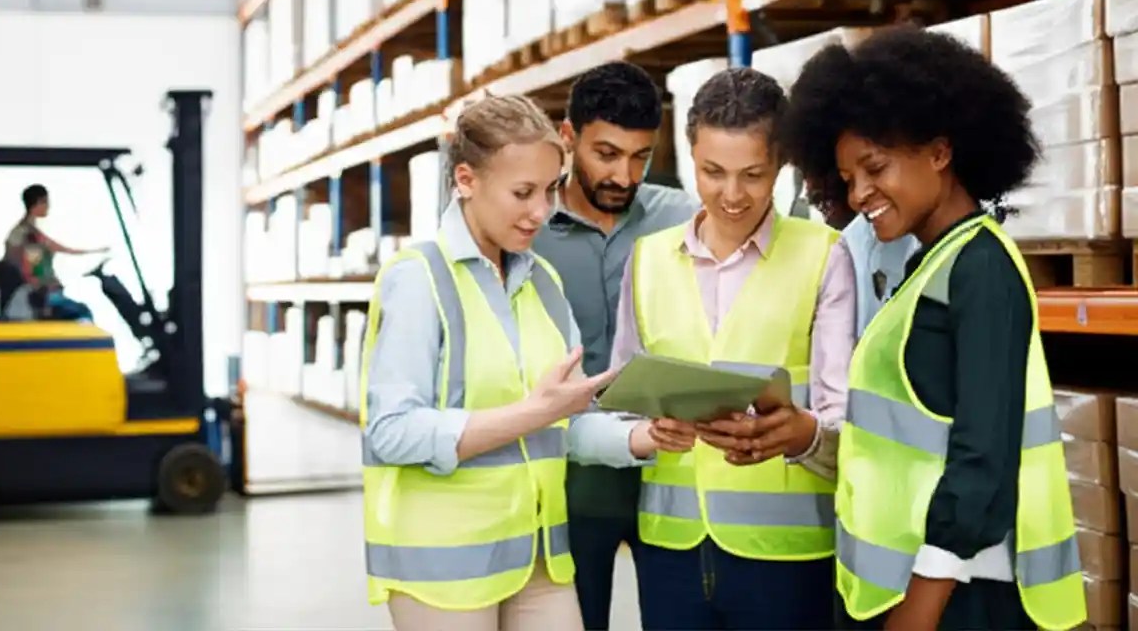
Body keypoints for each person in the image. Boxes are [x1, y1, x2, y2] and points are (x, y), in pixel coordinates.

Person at [782, 24, 1086, 631]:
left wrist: (921, 604)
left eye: (875, 167)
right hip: (901, 589)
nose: (860, 192)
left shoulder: (981, 271)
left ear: (940, 153)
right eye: (847, 179)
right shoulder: (931, 265)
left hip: (957, 598)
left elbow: (982, 463)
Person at [358, 94, 677, 631]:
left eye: (551, 189)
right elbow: (391, 431)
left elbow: (566, 424)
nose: (542, 211)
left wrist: (645, 438)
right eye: (522, 193)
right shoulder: (418, 279)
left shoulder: (543, 284)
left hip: (539, 556)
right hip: (446, 567)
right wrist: (533, 413)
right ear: (466, 179)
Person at [610, 67, 856, 630]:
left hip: (786, 557)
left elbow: (845, 420)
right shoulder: (646, 260)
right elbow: (621, 402)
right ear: (688, 153)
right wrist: (645, 433)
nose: (732, 194)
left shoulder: (825, 255)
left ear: (781, 165)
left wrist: (799, 432)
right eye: (711, 172)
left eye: (753, 174)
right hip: (670, 551)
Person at [531, 61, 699, 629]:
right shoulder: (527, 232)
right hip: (571, 483)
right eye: (606, 154)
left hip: (669, 469)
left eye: (640, 157)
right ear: (568, 136)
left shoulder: (682, 220)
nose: (624, 176)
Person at [4, 184, 107, 321]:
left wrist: (96, 251)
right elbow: (33, 269)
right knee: (83, 313)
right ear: (38, 203)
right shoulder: (29, 235)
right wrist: (47, 287)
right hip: (39, 295)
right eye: (46, 202)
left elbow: (62, 249)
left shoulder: (30, 232)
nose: (49, 206)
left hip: (39, 292)